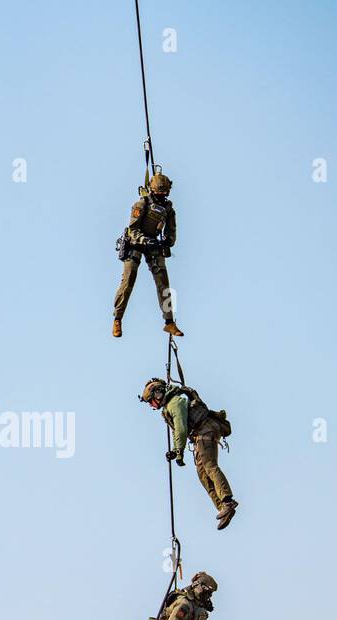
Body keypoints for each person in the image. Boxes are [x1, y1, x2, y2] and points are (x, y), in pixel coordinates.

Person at [140, 378, 238, 529]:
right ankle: (223, 508)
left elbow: (181, 428)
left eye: (151, 401)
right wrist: (175, 451)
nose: (152, 406)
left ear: (158, 394)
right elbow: (176, 431)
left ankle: (228, 502)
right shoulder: (169, 407)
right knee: (203, 475)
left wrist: (179, 451)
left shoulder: (175, 403)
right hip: (199, 437)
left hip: (205, 432)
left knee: (209, 466)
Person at [112, 171, 184, 339]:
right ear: (152, 191)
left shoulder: (168, 209)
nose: (161, 198)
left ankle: (169, 322)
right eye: (159, 194)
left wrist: (166, 242)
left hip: (153, 245)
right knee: (128, 280)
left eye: (164, 194)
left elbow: (172, 233)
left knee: (163, 284)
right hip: (135, 244)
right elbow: (133, 229)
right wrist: (144, 240)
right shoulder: (141, 204)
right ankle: (117, 318)